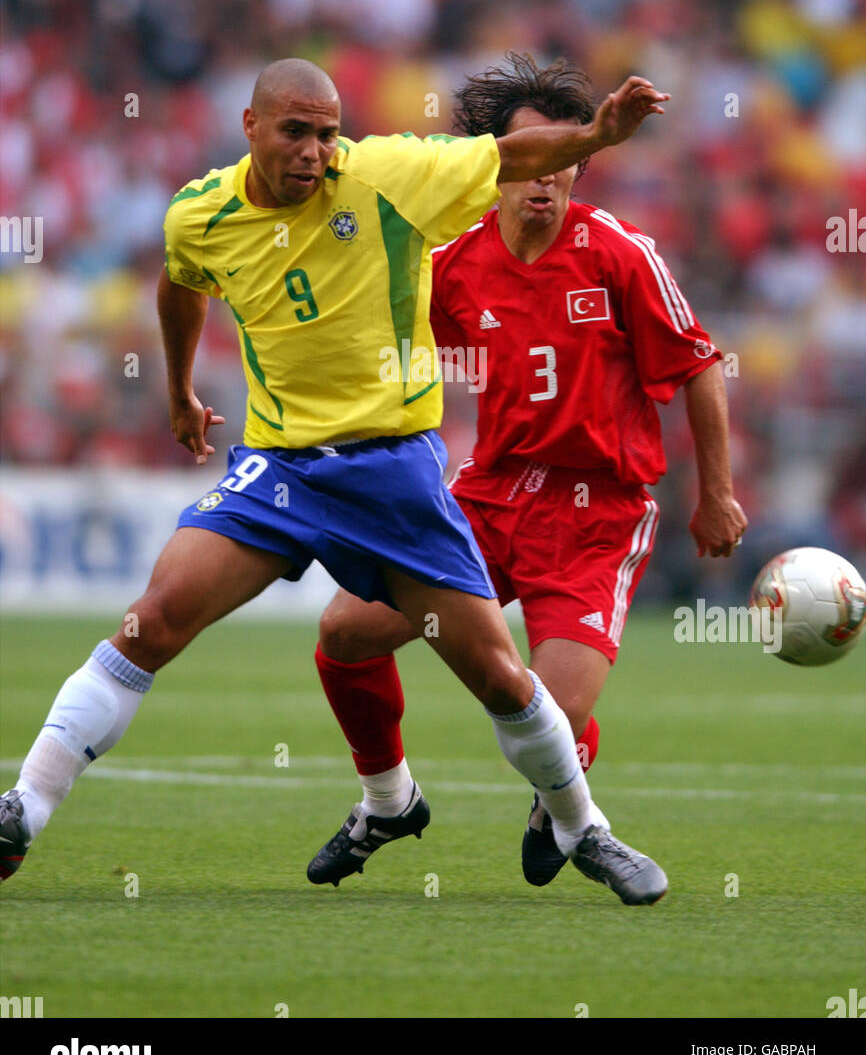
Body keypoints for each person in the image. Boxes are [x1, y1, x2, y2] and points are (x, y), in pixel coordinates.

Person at [0, 57, 672, 906]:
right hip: (278, 470)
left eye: (327, 133)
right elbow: (181, 283)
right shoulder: (200, 214)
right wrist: (178, 391)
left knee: (502, 680)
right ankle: (23, 809)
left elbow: (507, 158)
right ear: (251, 128)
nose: (317, 151)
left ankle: (584, 830)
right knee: (153, 620)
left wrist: (597, 136)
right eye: (297, 132)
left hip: (392, 471)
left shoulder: (388, 175)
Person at [310, 52, 747, 892]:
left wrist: (717, 494)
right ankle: (389, 799)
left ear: (581, 169)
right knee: (344, 635)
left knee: (551, 713)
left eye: (566, 164)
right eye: (530, 162)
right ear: (497, 168)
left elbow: (697, 365)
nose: (546, 182)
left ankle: (558, 803)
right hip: (489, 498)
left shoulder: (618, 254)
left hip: (597, 512)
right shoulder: (452, 262)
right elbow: (380, 341)